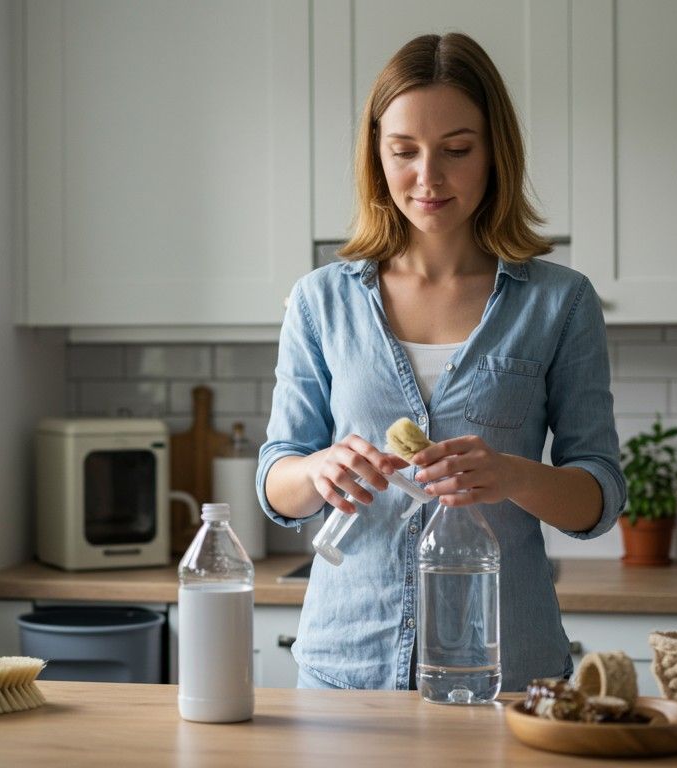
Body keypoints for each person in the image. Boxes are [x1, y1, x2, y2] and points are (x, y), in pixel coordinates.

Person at [257, 32, 625, 692]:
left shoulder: (559, 303)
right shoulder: (320, 301)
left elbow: (598, 496)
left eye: (456, 150)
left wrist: (511, 474)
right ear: (377, 155)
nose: (428, 177)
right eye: (404, 151)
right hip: (348, 669)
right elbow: (277, 481)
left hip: (510, 670)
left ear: (494, 154)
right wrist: (318, 467)